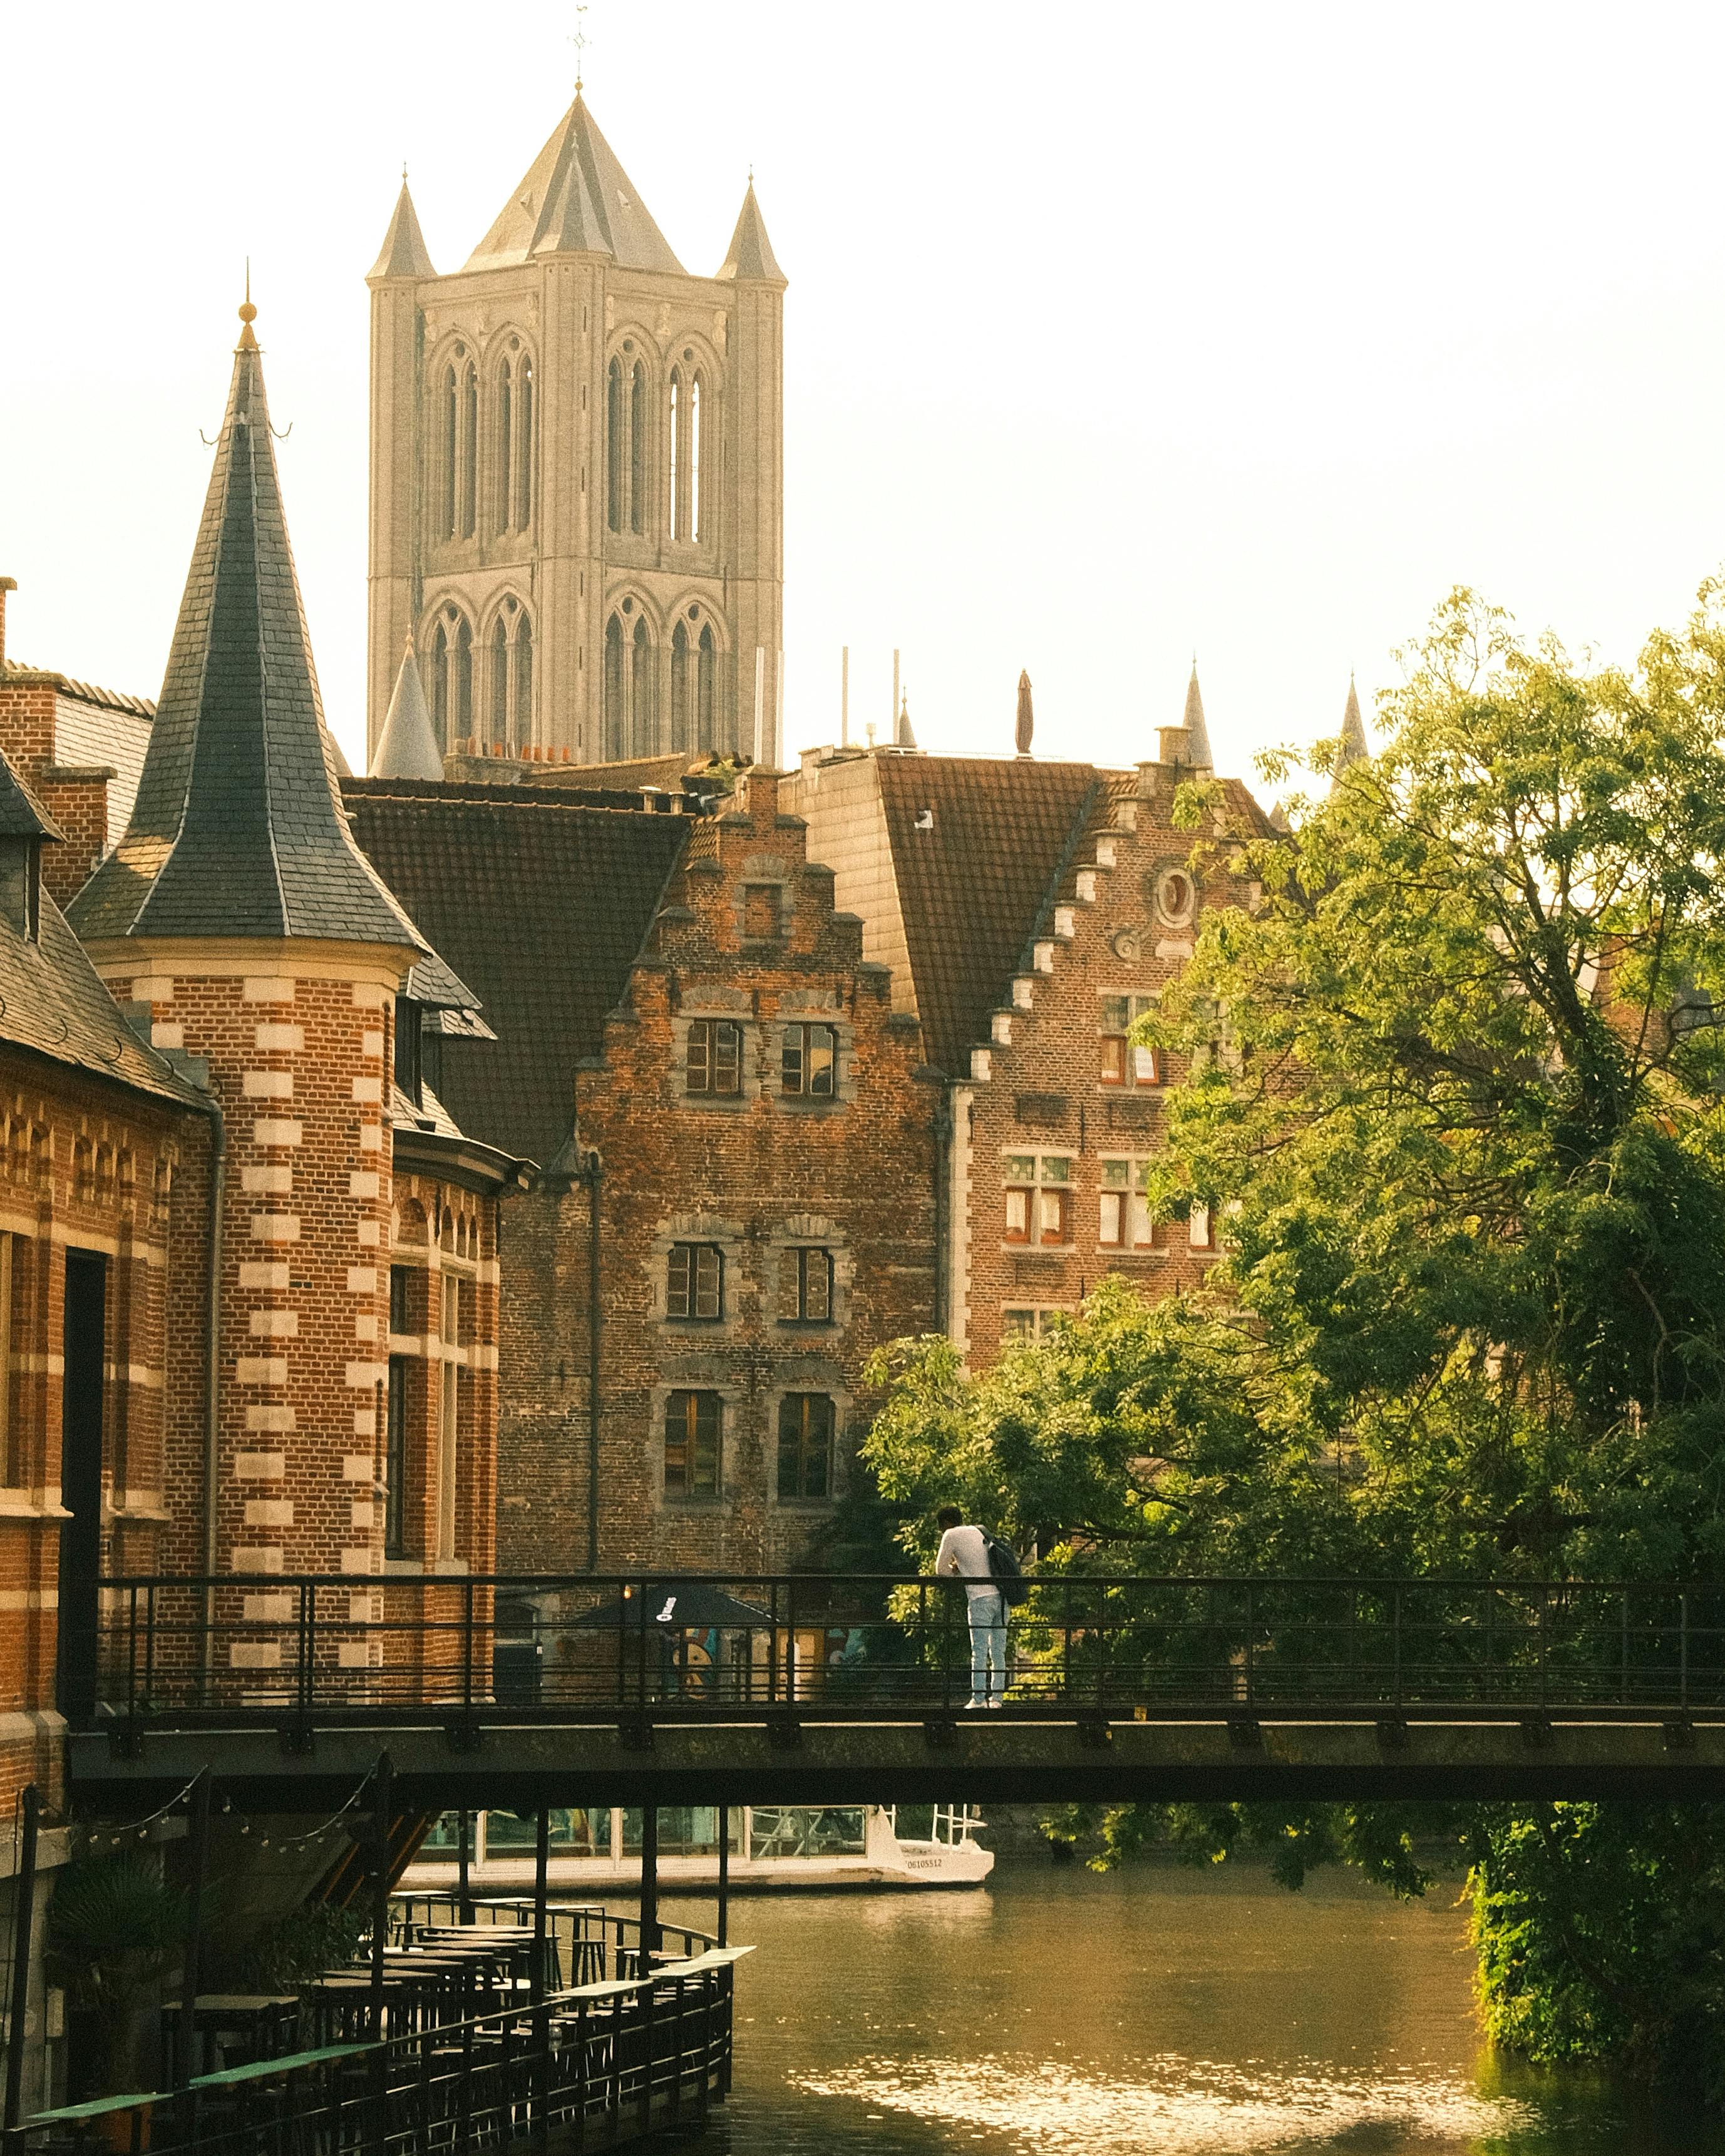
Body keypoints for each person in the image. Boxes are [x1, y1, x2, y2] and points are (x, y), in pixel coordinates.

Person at [933, 1505, 1008, 1708]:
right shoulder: (978, 1531)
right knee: (999, 1652)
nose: (941, 1530)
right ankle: (997, 1700)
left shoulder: (950, 1534)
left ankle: (978, 1699)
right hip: (1001, 1597)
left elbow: (940, 1569)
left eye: (940, 1526)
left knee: (979, 1651)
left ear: (946, 1523)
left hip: (979, 1599)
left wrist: (957, 1573)